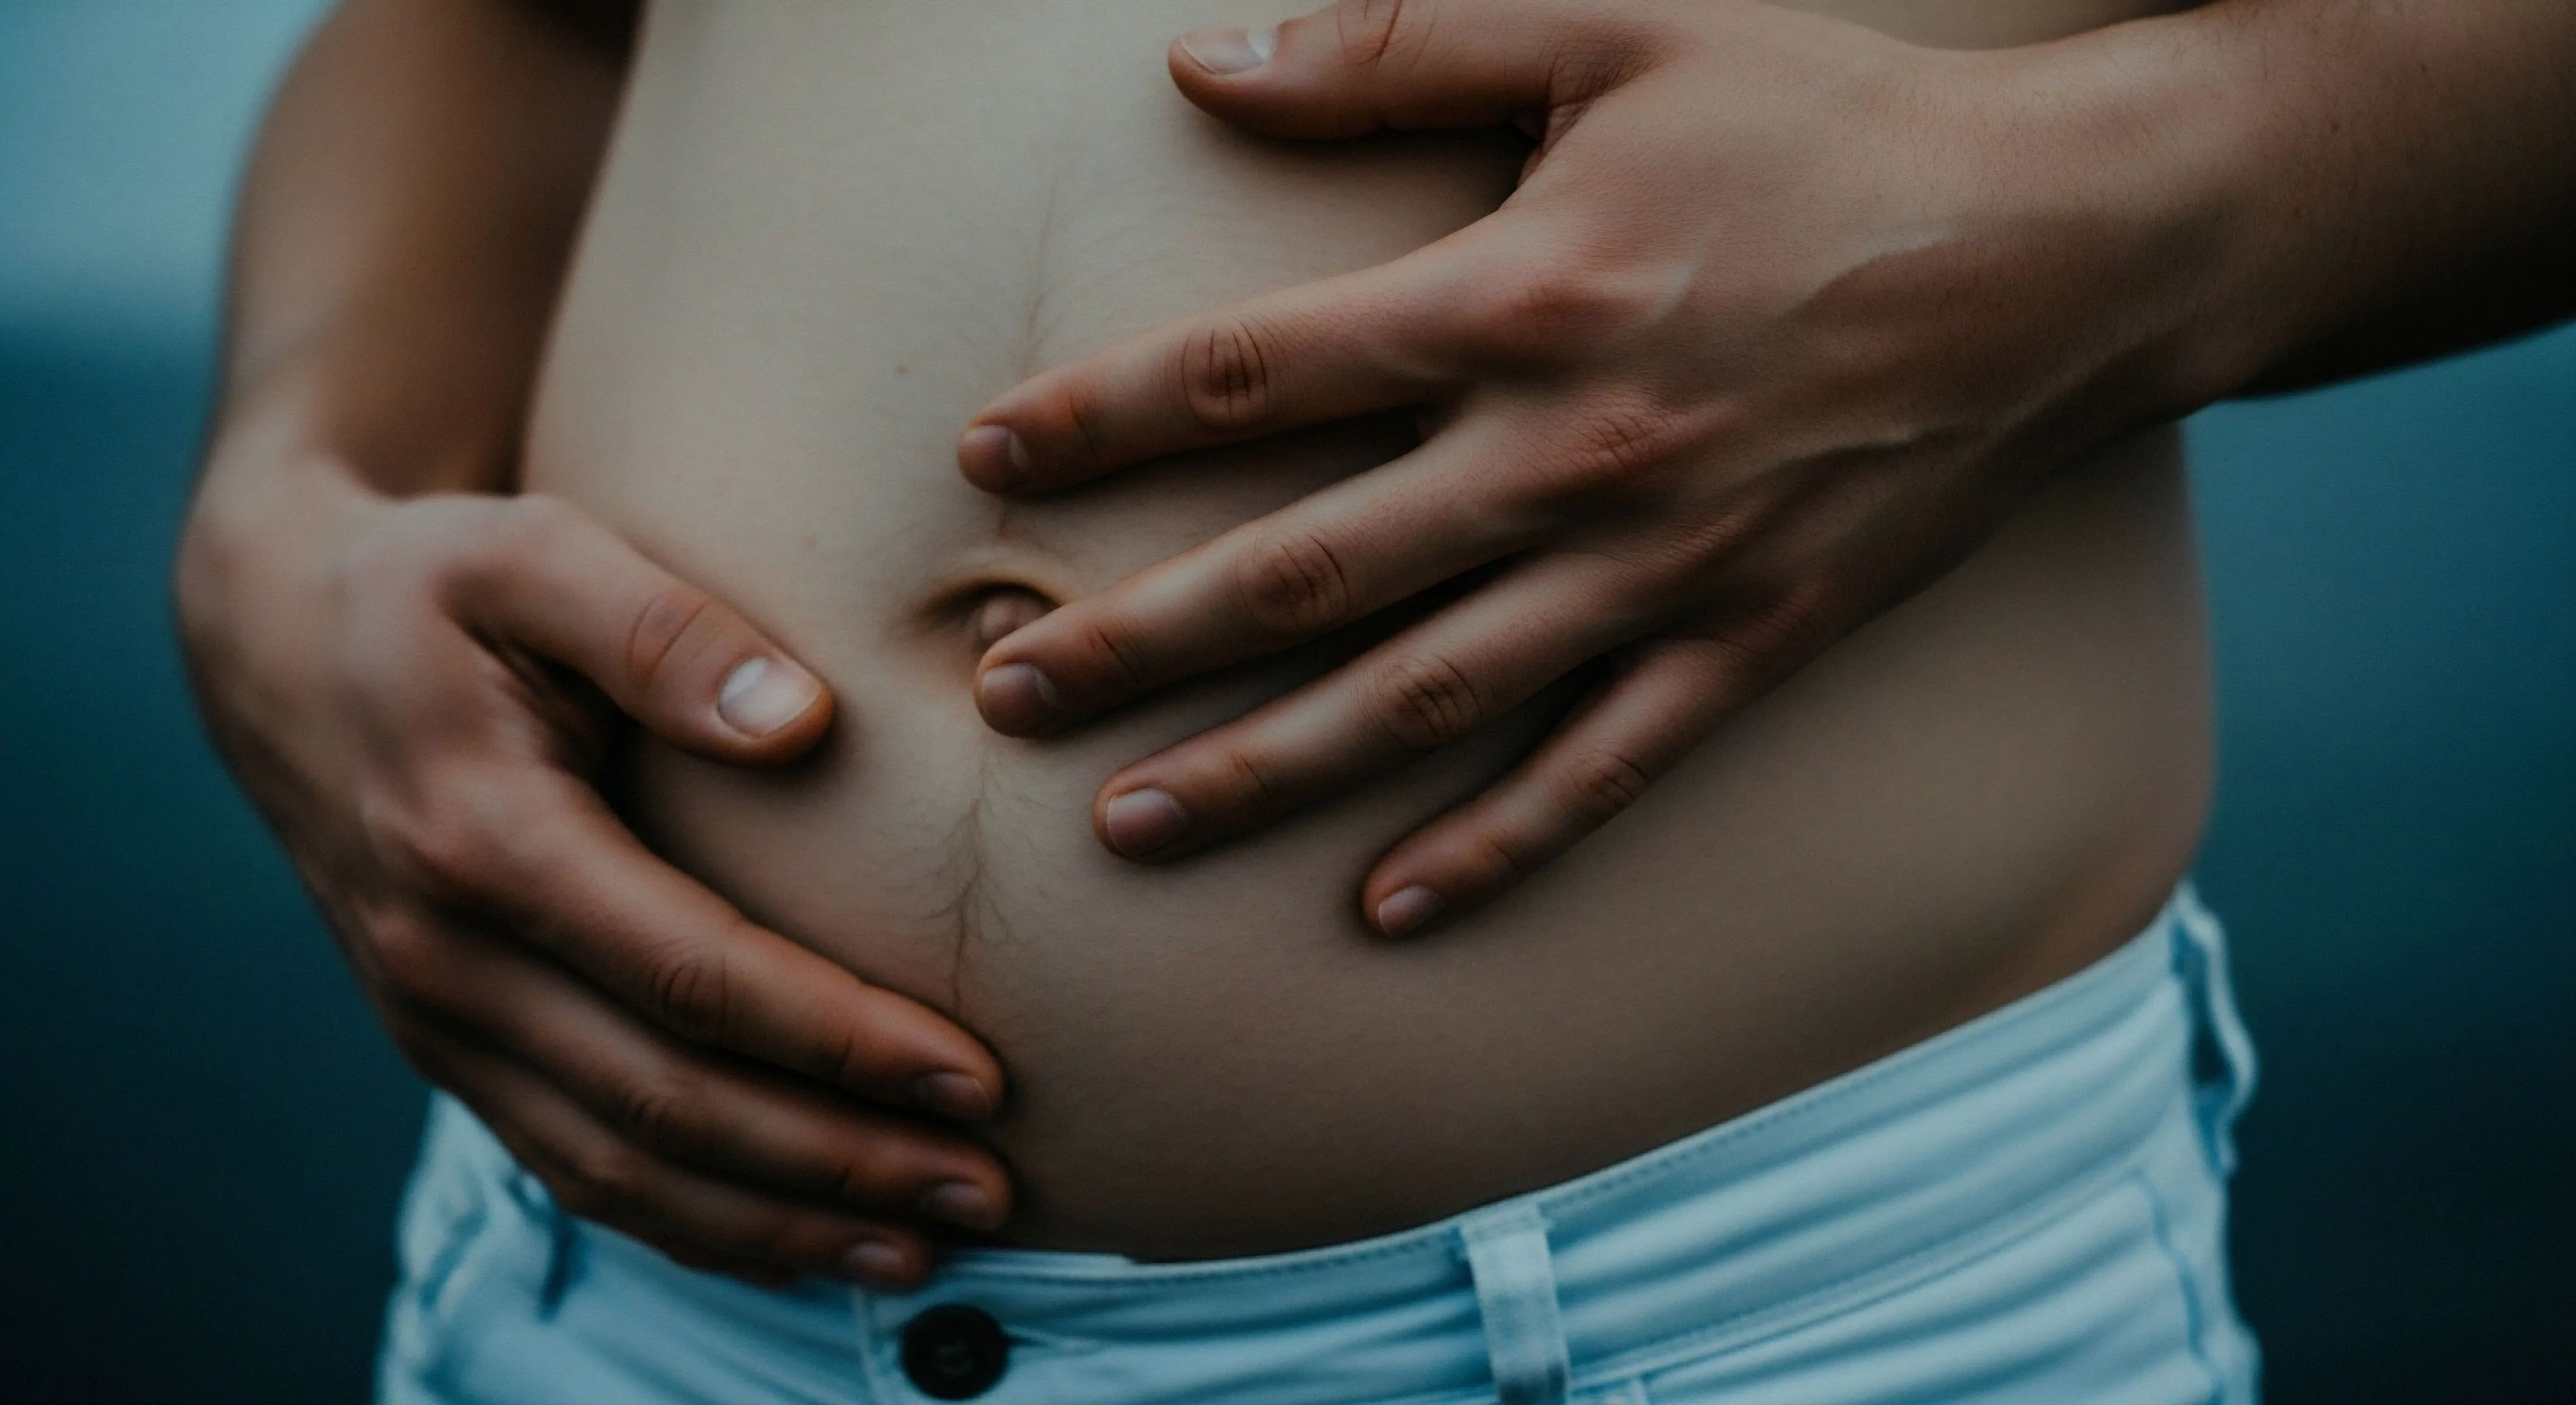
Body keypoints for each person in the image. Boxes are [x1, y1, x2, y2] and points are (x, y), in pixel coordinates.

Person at [172, 0, 2574, 1401]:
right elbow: (502, 29)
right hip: (632, 1311)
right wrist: (296, 474)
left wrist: (2147, 218)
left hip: (1765, 1325)